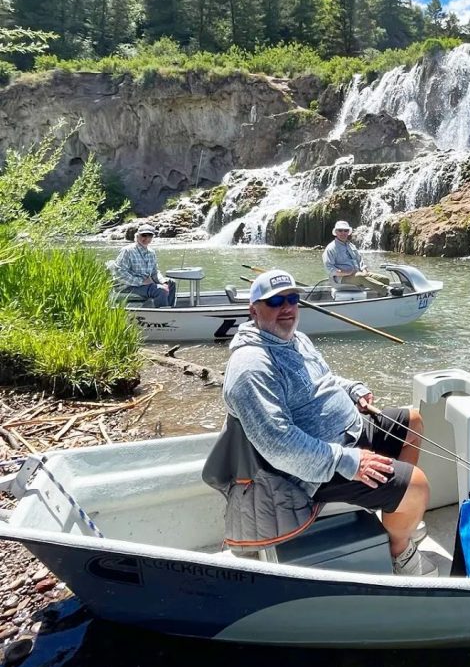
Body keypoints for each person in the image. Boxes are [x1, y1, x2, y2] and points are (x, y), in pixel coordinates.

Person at [222, 268, 436, 576]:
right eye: (275, 301)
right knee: (417, 485)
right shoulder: (250, 367)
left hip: (349, 433)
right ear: (253, 310)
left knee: (412, 423)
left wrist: (352, 389)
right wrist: (349, 461)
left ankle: (397, 516)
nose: (287, 307)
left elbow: (324, 379)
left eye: (292, 299)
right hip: (315, 466)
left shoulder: (296, 339)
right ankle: (399, 550)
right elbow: (279, 445)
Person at [110, 224, 177, 308]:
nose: (146, 238)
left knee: (171, 283)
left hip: (146, 284)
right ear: (137, 236)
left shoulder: (151, 253)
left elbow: (155, 272)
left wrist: (163, 282)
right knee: (160, 290)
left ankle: (168, 308)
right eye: (144, 235)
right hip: (128, 286)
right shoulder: (127, 251)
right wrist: (141, 282)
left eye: (150, 236)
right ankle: (163, 313)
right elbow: (120, 273)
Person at [322, 220, 391, 295]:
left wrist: (364, 270)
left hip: (358, 273)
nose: (343, 233)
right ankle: (389, 291)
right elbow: (329, 269)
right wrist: (347, 272)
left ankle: (381, 298)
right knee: (360, 277)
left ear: (348, 232)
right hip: (342, 278)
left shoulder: (351, 245)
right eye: (340, 230)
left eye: (346, 230)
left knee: (384, 279)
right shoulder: (331, 248)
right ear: (336, 232)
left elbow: (360, 260)